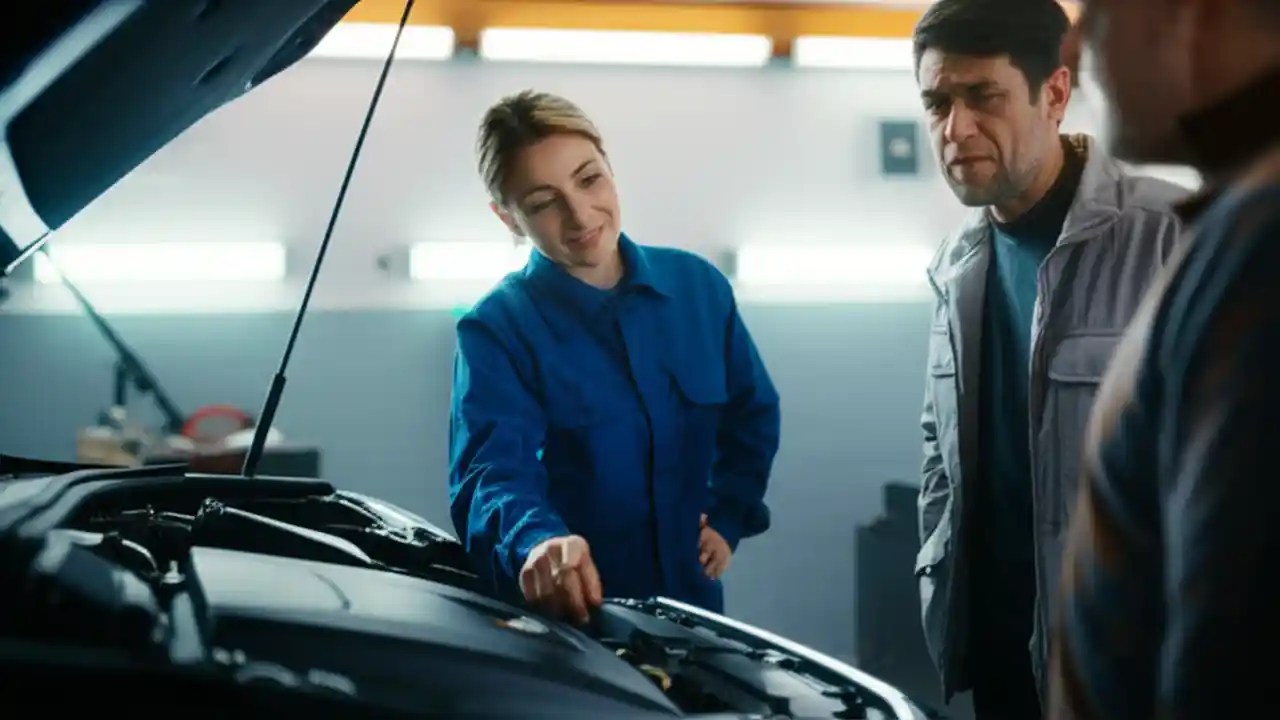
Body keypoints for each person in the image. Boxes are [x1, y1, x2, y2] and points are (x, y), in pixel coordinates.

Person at [909, 0, 1188, 717]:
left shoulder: (1171, 239)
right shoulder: (956, 264)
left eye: (983, 96)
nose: (955, 129)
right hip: (998, 653)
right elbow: (941, 449)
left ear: (1055, 94)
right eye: (938, 103)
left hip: (1129, 661)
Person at [448, 90, 781, 625]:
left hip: (693, 611)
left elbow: (753, 413)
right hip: (574, 621)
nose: (579, 214)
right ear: (508, 219)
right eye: (543, 202)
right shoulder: (496, 329)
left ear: (608, 166)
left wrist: (728, 514)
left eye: (588, 179)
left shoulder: (698, 288)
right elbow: (491, 474)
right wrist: (538, 543)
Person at [1048, 1, 1280, 718]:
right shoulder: (1241, 219)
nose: (1075, 45)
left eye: (1098, 11)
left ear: (1184, 13)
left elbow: (1231, 665)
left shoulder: (1260, 243)